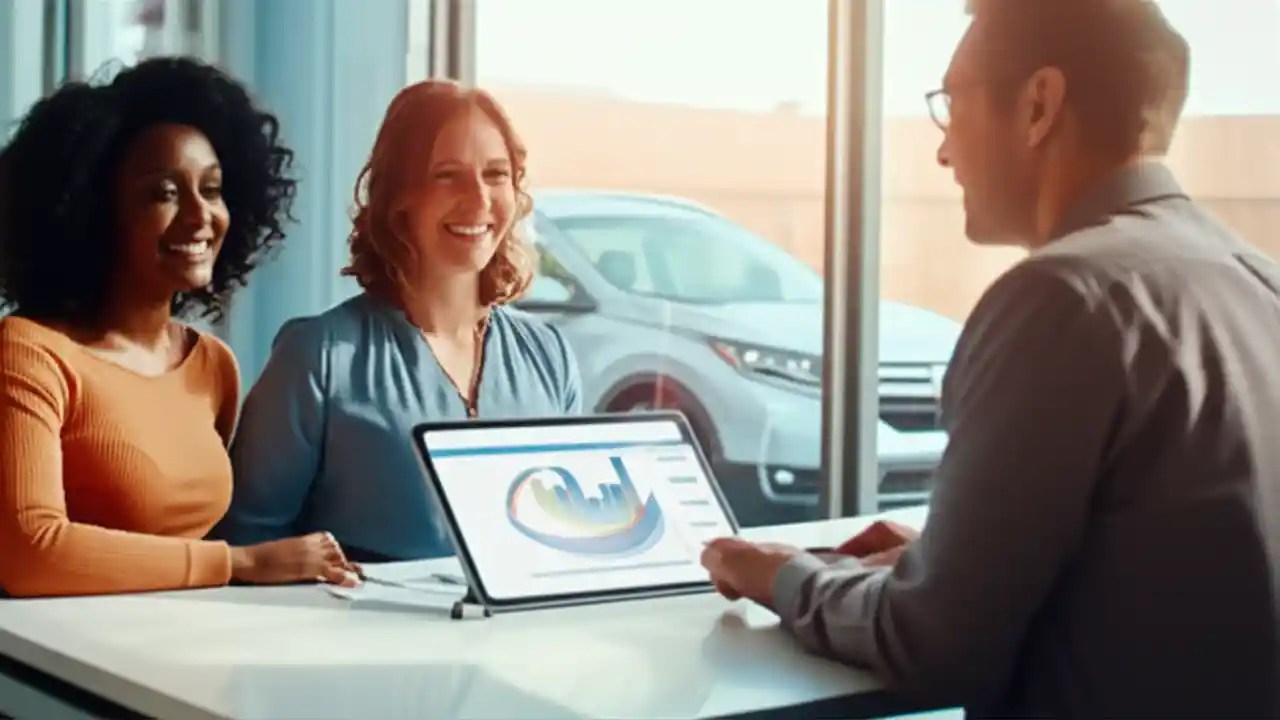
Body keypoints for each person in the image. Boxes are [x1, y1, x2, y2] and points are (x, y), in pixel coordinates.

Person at [701, 1, 1280, 717]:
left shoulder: (1063, 297)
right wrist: (953, 560)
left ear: (1039, 106)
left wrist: (783, 577)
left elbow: (929, 645)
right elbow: (1179, 580)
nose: (943, 152)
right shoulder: (1257, 280)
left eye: (952, 104)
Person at [0, 57, 360, 598]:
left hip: (190, 635)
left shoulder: (211, 364)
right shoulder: (29, 354)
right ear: (95, 211)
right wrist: (240, 562)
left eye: (211, 189)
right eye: (164, 193)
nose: (200, 216)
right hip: (64, 647)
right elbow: (29, 554)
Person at [216, 80, 582, 562]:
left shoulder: (549, 357)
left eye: (496, 175)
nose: (478, 199)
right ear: (399, 196)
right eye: (447, 175)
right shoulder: (320, 359)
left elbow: (571, 542)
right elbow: (248, 545)